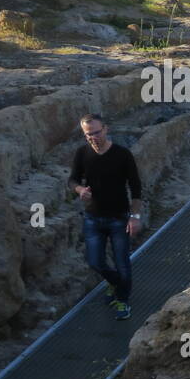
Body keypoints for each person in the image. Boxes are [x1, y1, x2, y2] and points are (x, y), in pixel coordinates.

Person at [67, 114, 143, 320]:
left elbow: (136, 187)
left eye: (96, 132)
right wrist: (80, 189)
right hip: (93, 218)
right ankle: (116, 283)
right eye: (88, 134)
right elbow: (72, 179)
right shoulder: (82, 153)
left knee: (122, 263)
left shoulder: (122, 154)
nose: (93, 137)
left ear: (106, 129)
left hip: (119, 218)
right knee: (95, 262)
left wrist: (134, 216)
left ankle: (123, 301)